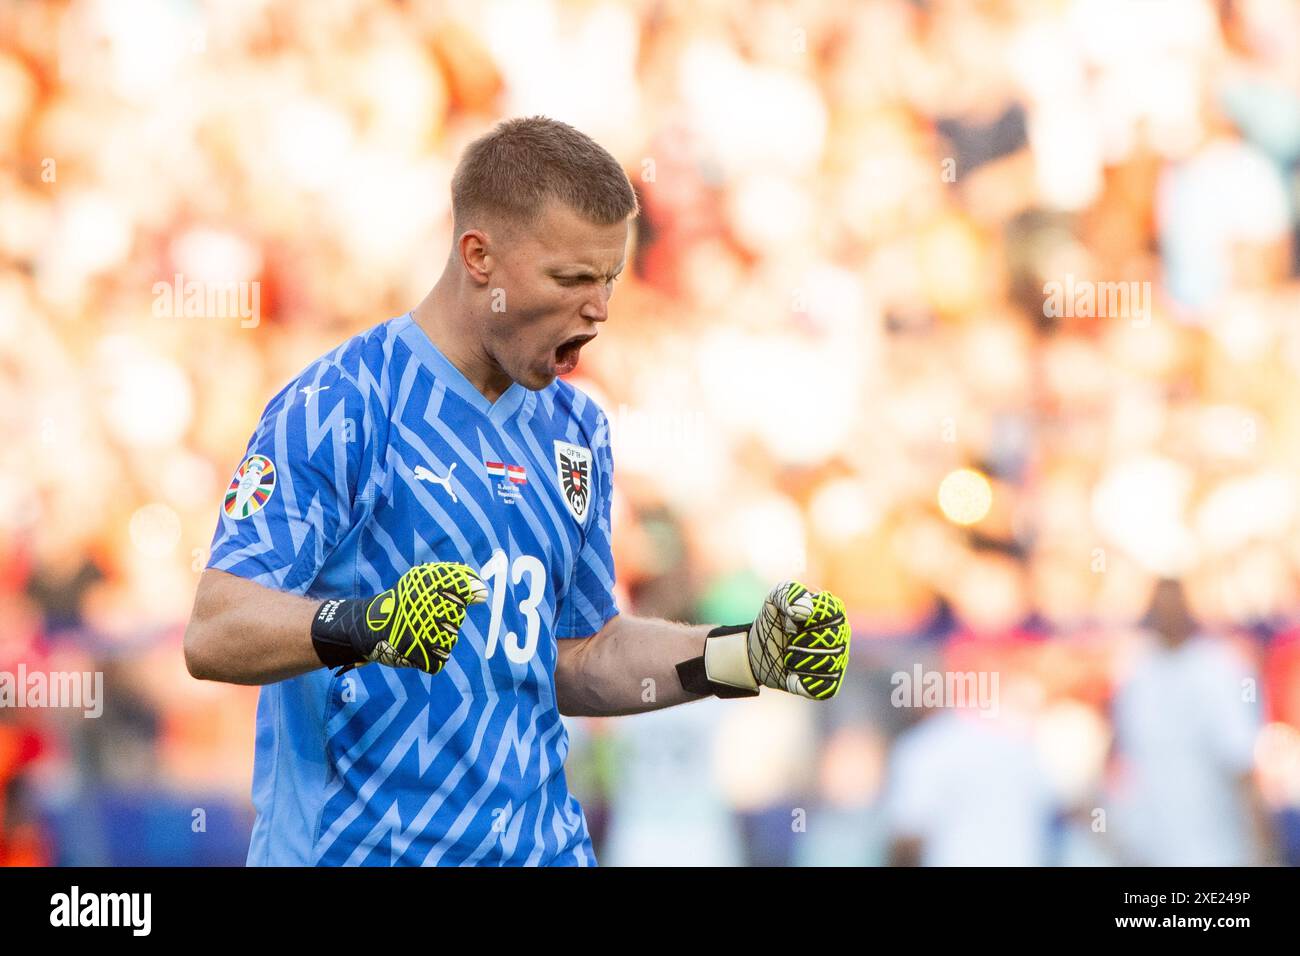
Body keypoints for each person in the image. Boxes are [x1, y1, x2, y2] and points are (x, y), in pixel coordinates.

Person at [182, 116, 851, 866]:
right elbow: (214, 630)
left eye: (609, 280)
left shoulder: (576, 429)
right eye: (571, 280)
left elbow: (581, 654)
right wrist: (367, 625)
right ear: (479, 256)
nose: (599, 309)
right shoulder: (342, 403)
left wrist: (744, 656)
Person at [1108, 578, 1276, 866]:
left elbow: (1241, 765)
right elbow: (1121, 756)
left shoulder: (1218, 669)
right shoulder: (1136, 671)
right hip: (1154, 846)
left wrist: (1262, 846)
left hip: (1217, 847)